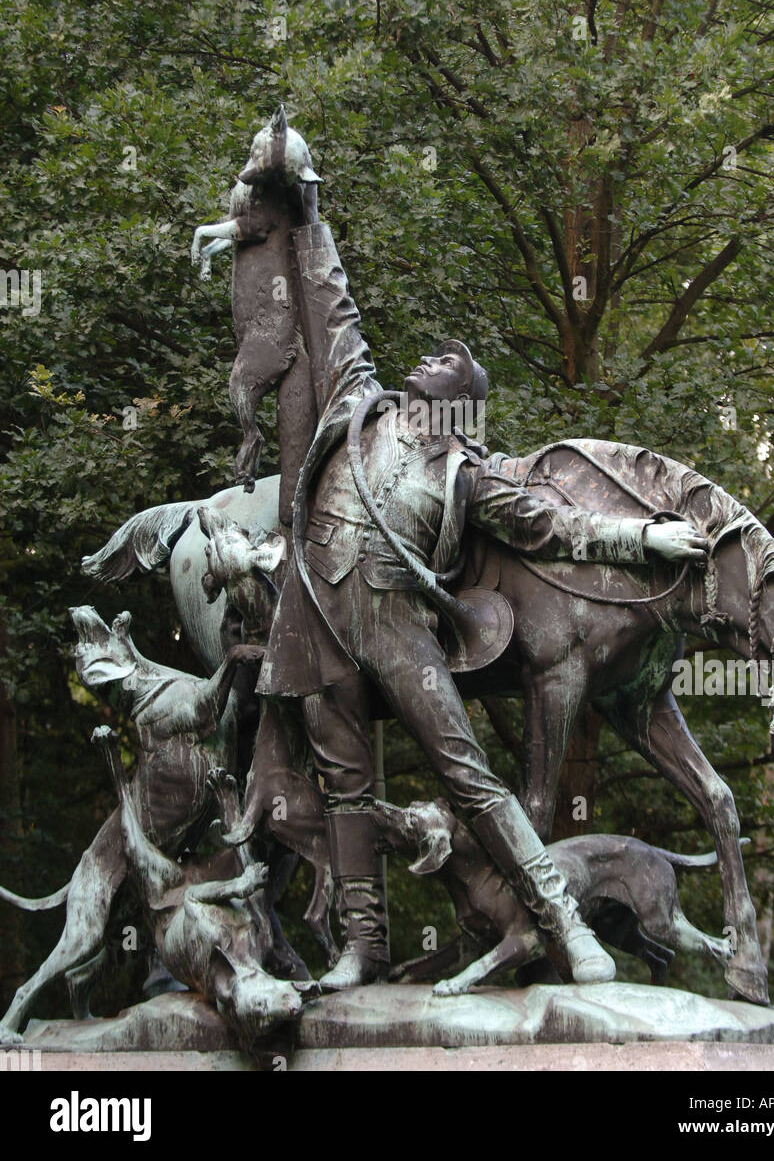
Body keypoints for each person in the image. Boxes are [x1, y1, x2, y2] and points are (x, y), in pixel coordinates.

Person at [257, 175, 708, 991]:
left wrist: (645, 535)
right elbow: (331, 304)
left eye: (444, 364)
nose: (426, 362)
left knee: (467, 773)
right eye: (430, 358)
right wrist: (311, 213)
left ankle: (565, 928)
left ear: (460, 401)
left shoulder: (468, 471)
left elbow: (555, 526)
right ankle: (362, 949)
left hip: (397, 623)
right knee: (347, 786)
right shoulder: (360, 402)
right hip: (317, 614)